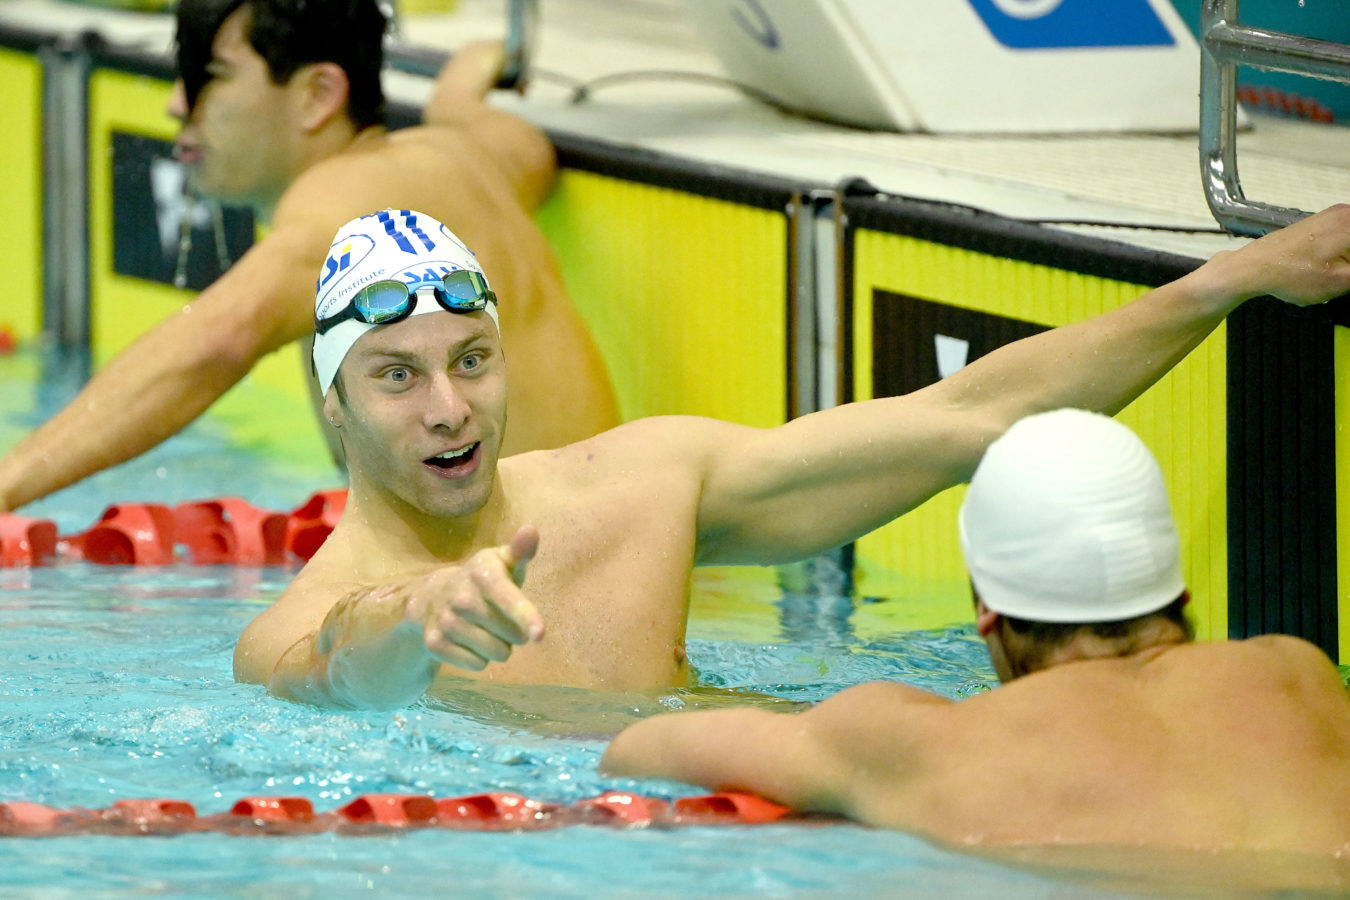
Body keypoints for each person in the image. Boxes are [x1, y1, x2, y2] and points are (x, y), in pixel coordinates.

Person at [232, 202, 1350, 712]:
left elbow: (972, 415)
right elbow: (338, 665)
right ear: (331, 407)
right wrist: (419, 617)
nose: (447, 408)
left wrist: (1229, 281)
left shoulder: (644, 483)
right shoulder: (290, 627)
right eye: (396, 376)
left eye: (471, 359)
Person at [601, 408, 1350, 857]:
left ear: (985, 613)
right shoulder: (1300, 675)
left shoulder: (917, 742)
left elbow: (634, 750)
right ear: (1179, 594)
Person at [0, 0, 618, 513]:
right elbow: (523, 145)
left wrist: (10, 483)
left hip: (528, 589)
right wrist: (459, 88)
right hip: (602, 541)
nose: (177, 105)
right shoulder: (463, 158)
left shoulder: (345, 216)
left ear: (318, 94)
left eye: (211, 76)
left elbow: (215, 342)